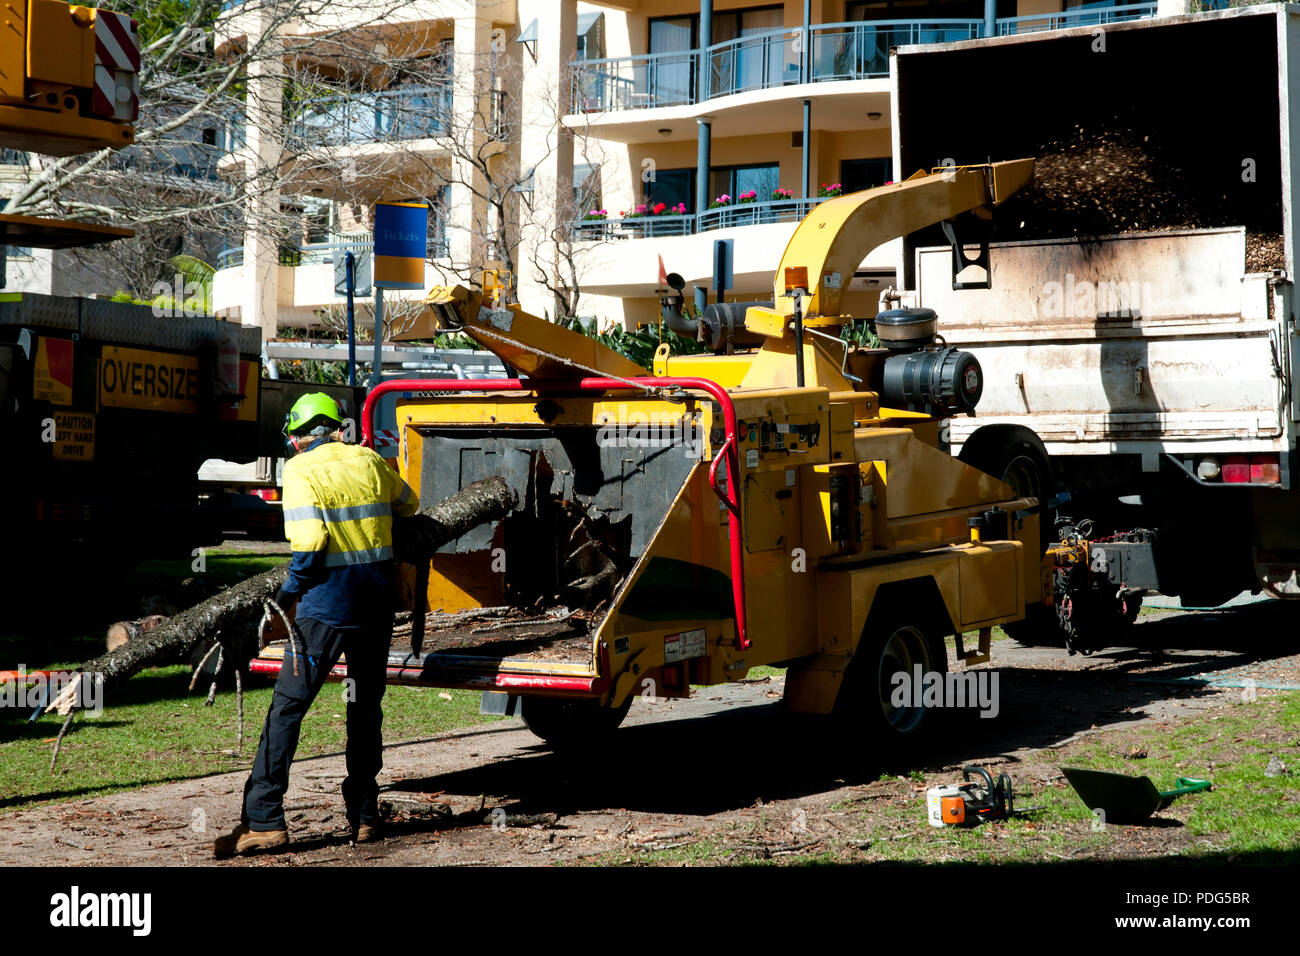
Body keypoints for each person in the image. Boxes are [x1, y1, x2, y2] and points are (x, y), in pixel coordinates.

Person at [214, 392, 419, 858]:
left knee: (288, 709)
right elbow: (408, 503)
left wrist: (282, 605)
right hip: (376, 608)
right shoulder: (368, 460)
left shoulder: (302, 470)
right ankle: (365, 815)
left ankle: (265, 819)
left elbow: (308, 548)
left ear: (302, 435)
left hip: (324, 609)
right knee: (364, 709)